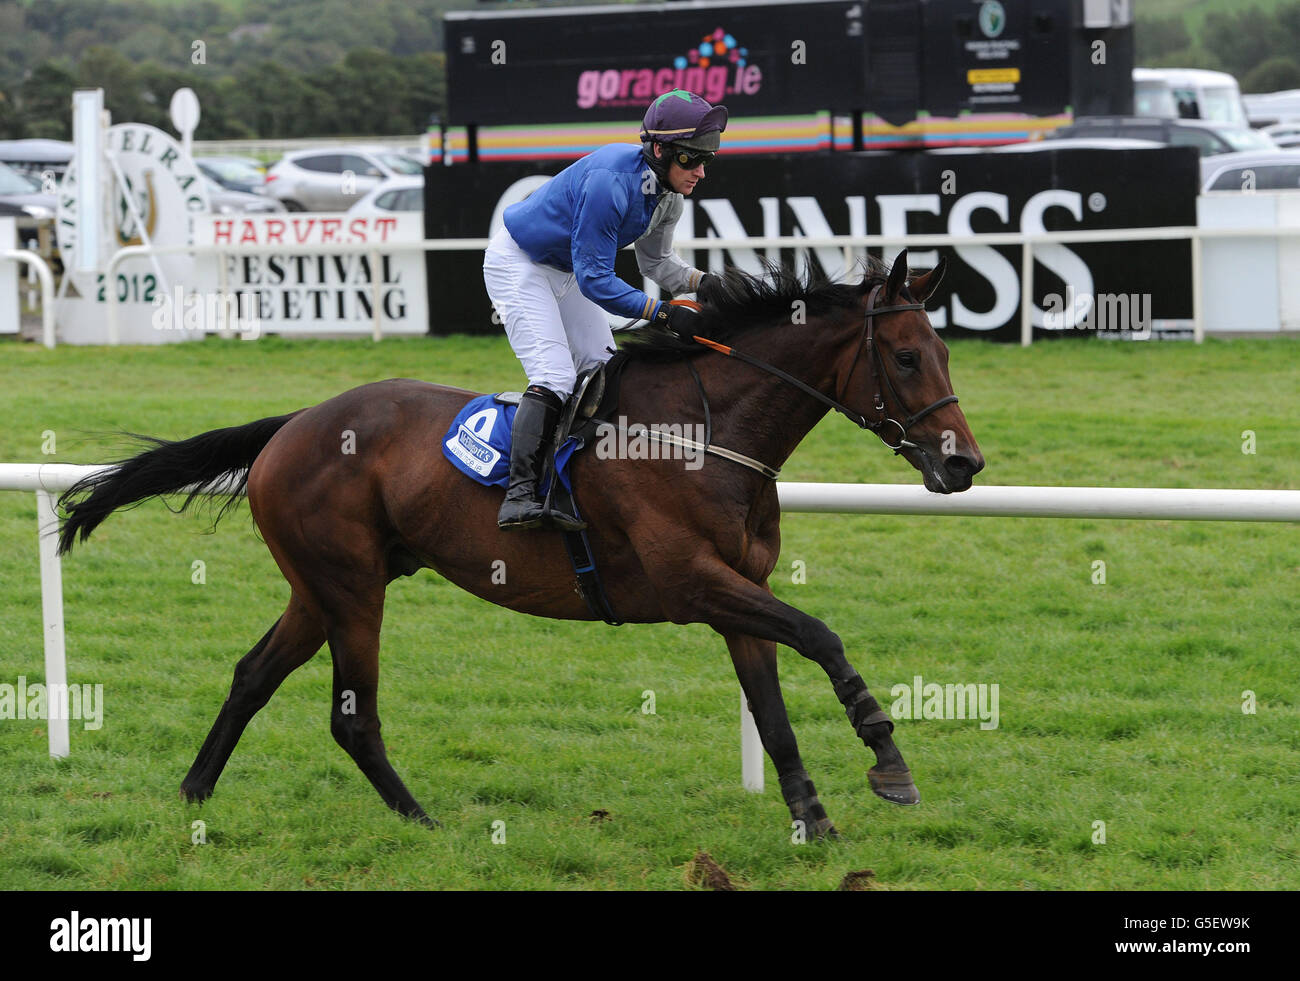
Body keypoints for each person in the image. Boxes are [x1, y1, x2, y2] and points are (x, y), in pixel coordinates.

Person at [483, 89, 727, 531]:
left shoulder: (668, 194)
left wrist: (704, 284)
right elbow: (597, 281)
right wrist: (664, 313)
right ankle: (517, 497)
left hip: (564, 269)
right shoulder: (610, 183)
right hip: (519, 262)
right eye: (692, 158)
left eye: (707, 159)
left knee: (602, 368)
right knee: (555, 376)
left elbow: (656, 264)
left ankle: (577, 481)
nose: (701, 172)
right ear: (660, 149)